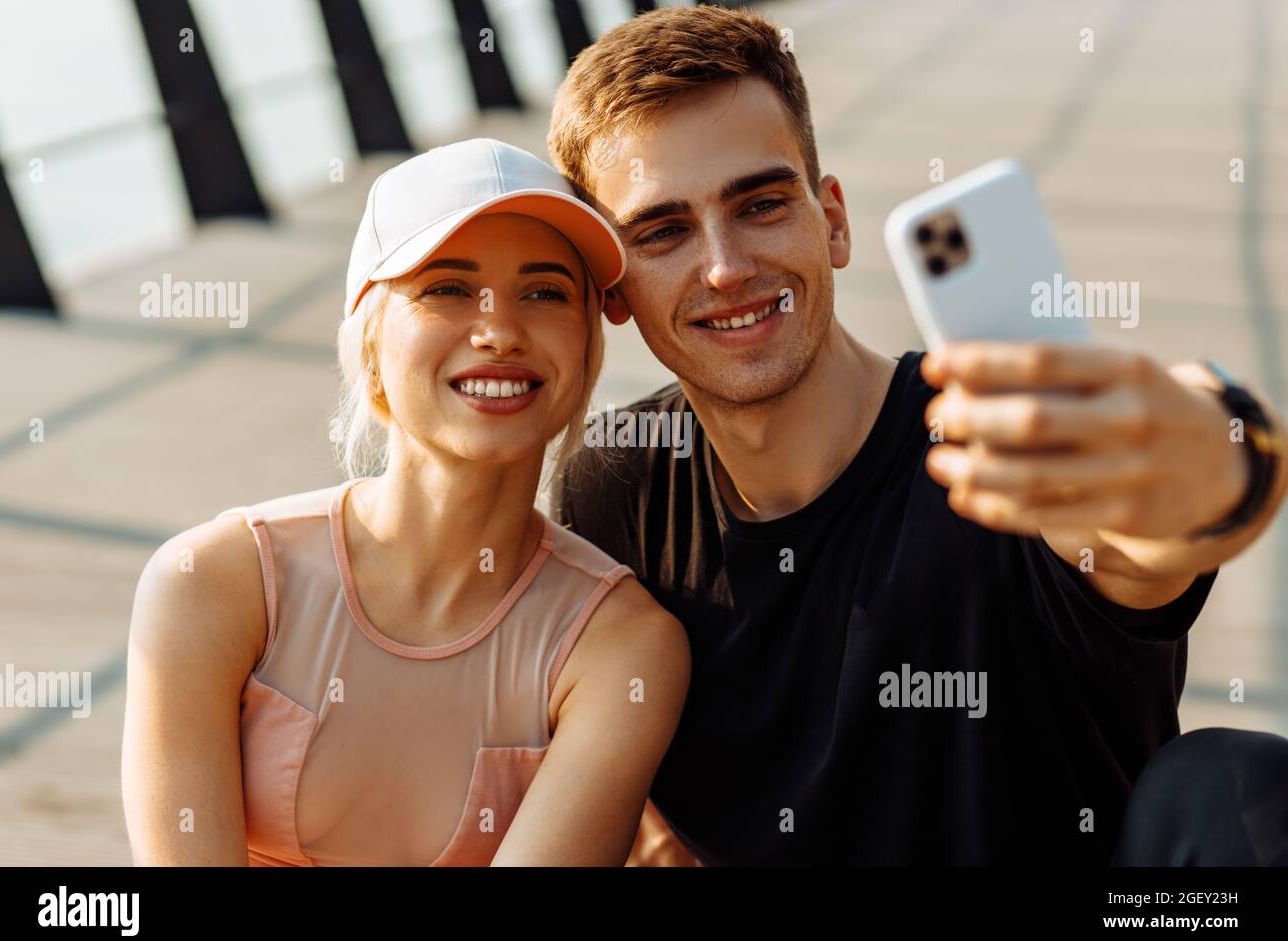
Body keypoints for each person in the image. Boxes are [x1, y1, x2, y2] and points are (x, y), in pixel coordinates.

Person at [546, 7, 1288, 864]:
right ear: (613, 290)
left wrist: (1218, 448)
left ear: (833, 221)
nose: (726, 266)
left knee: (1231, 784)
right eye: (663, 231)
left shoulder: (998, 448)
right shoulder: (618, 484)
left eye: (761, 204)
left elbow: (1156, 524)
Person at [121, 138, 690, 866]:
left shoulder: (623, 649)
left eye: (545, 293)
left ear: (585, 348)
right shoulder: (210, 584)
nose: (499, 332)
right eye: (447, 289)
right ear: (369, 343)